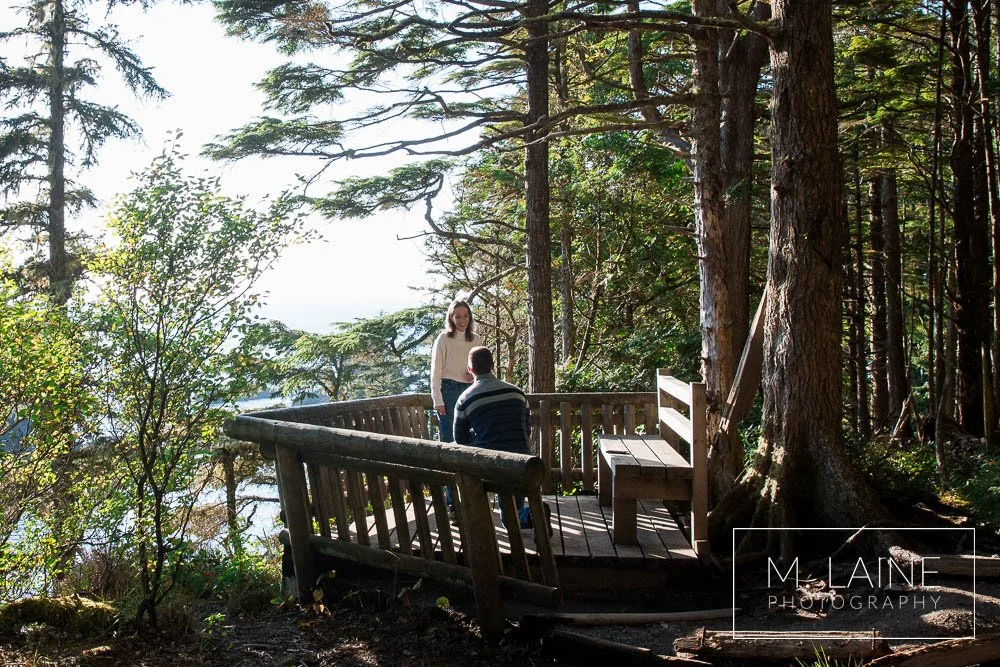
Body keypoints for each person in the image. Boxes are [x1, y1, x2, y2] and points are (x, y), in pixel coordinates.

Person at [453, 346, 546, 531]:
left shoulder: (465, 399)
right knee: (513, 512)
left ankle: (458, 511)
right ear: (492, 366)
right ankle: (534, 514)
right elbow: (526, 428)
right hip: (522, 461)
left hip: (491, 465)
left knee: (508, 521)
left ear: (470, 370)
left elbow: (459, 439)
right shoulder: (517, 393)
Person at [430, 299, 482, 443]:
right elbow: (435, 371)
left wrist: (473, 375)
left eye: (466, 316)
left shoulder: (476, 340)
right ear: (451, 318)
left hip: (471, 391)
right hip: (449, 391)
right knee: (450, 437)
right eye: (457, 316)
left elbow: (480, 368)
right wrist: (437, 399)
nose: (462, 320)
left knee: (473, 435)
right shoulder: (444, 339)